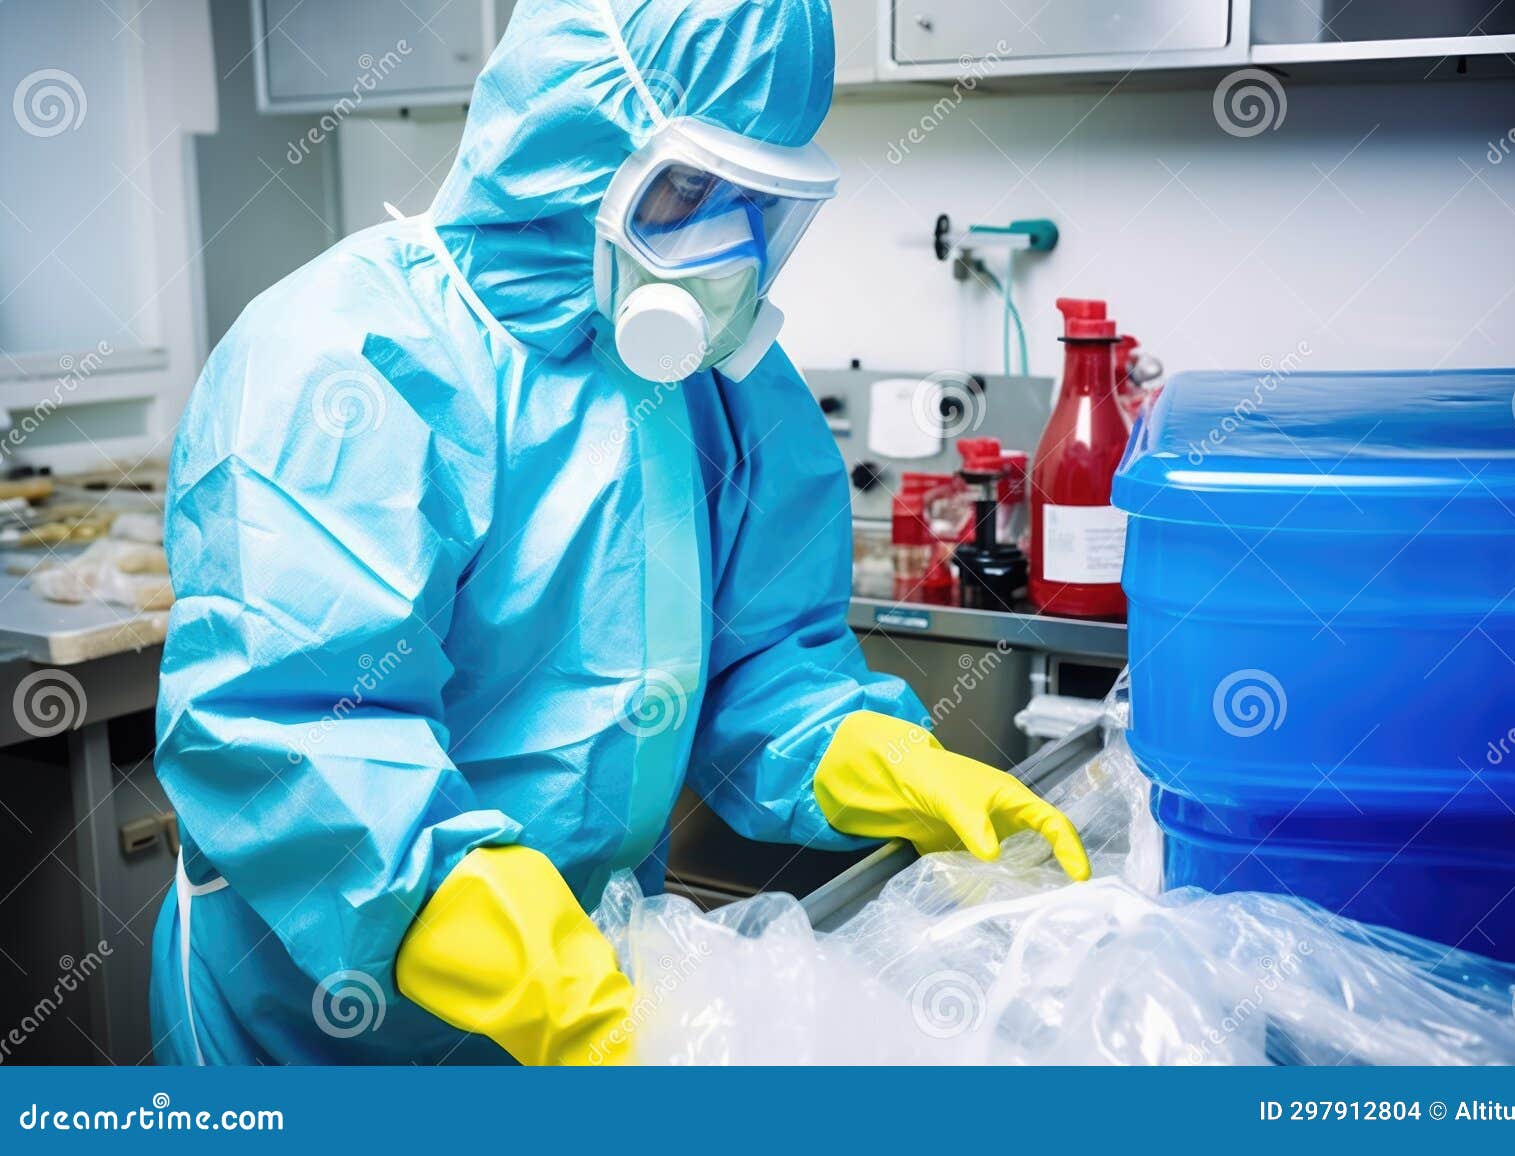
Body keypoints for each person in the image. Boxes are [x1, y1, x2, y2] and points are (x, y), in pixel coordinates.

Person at [149, 0, 1088, 1067]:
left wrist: (880, 758)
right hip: (327, 1018)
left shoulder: (715, 383)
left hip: (595, 977)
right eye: (688, 189)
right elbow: (293, 731)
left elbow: (763, 664)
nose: (722, 243)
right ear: (566, 142)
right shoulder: (344, 361)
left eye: (754, 202)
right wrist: (548, 979)